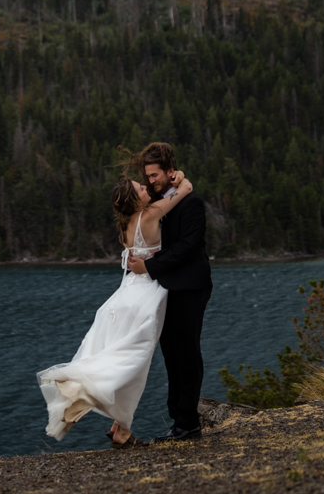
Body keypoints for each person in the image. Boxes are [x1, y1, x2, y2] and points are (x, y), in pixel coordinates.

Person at [37, 163, 194, 448]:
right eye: (140, 188)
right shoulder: (151, 215)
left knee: (122, 354)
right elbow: (186, 190)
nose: (146, 186)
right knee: (134, 361)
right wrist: (178, 177)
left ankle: (119, 428)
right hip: (147, 296)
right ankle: (80, 390)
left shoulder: (127, 225)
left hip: (123, 296)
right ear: (136, 200)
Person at [126, 141, 212, 441]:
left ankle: (189, 423)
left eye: (155, 175)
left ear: (169, 172)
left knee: (187, 354)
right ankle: (179, 421)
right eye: (147, 176)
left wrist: (149, 267)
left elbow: (187, 248)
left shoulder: (192, 204)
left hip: (190, 287)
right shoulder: (161, 203)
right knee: (171, 355)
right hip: (163, 290)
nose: (151, 180)